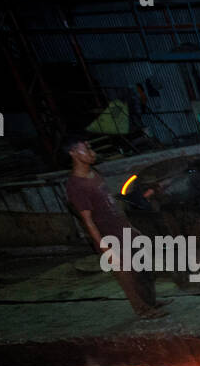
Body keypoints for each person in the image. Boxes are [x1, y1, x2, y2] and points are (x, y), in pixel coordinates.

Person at [63, 136, 169, 319]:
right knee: (127, 276)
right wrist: (105, 247)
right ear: (72, 153)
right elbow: (88, 220)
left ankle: (150, 302)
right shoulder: (76, 186)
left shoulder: (93, 173)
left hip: (122, 229)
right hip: (109, 236)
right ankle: (142, 310)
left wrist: (130, 227)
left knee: (141, 270)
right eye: (85, 150)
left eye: (90, 148)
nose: (91, 153)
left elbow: (110, 204)